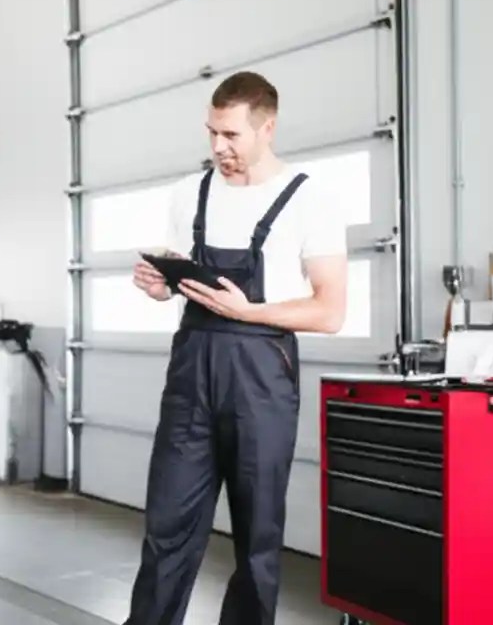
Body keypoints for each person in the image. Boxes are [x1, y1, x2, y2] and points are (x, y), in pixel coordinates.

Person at [125, 71, 347, 625]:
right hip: (191, 375)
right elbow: (179, 285)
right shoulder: (189, 193)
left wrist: (249, 312)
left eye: (231, 135)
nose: (219, 147)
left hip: (261, 377)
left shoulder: (309, 199)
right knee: (167, 526)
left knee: (257, 534)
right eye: (212, 133)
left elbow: (329, 310)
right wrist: (159, 286)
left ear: (267, 128)